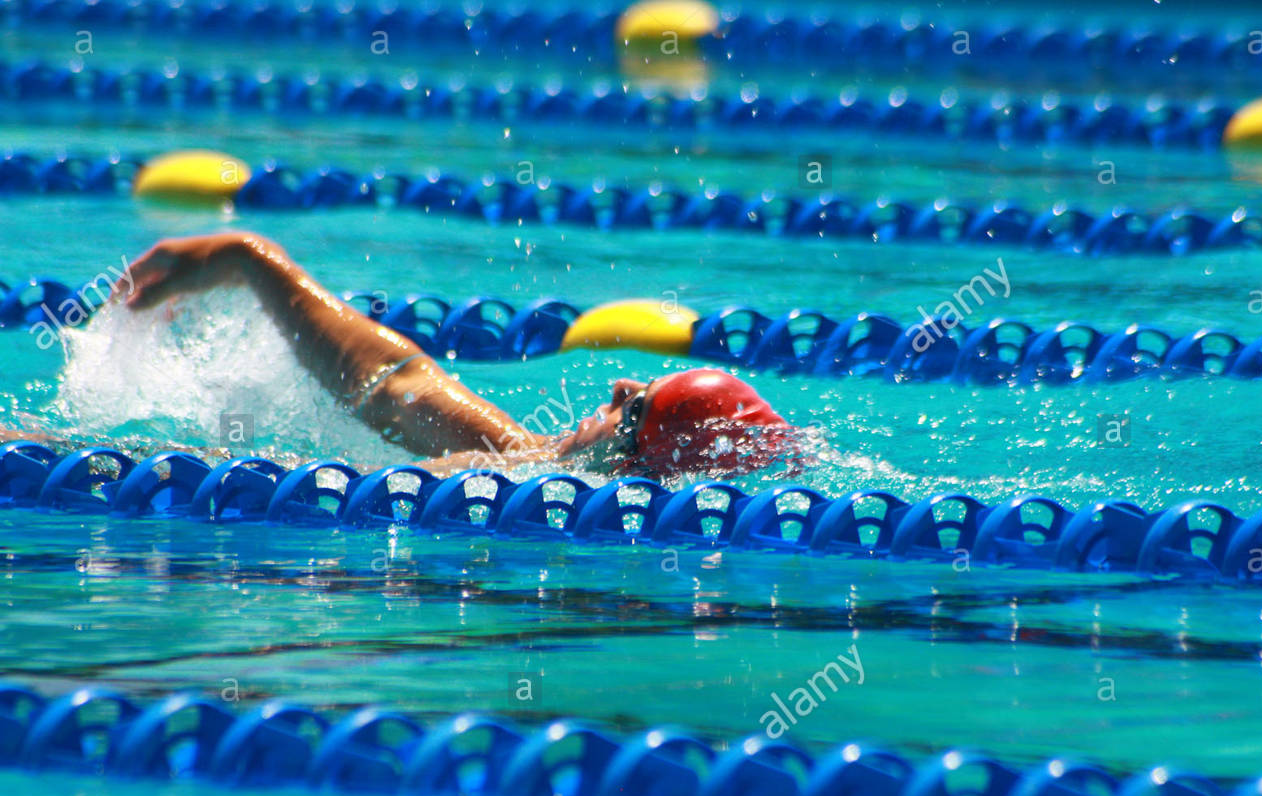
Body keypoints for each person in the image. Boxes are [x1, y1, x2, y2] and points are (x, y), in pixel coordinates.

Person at [11, 232, 798, 479]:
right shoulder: (519, 458)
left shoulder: (498, 474)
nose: (621, 381)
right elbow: (394, 381)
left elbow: (383, 399)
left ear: (636, 457)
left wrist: (85, 459)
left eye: (639, 404)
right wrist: (253, 262)